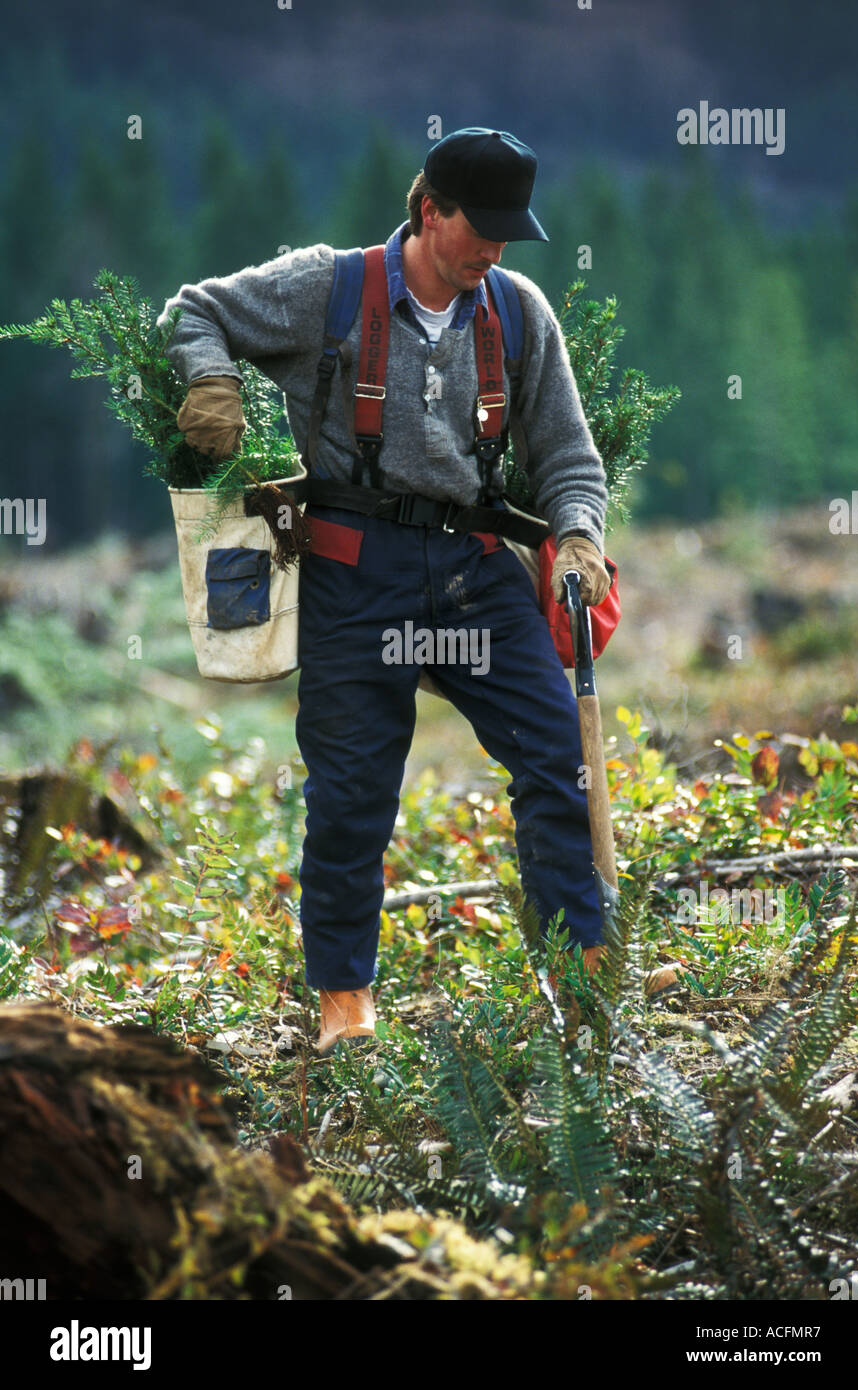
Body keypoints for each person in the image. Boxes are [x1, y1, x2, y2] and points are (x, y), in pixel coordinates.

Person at [158, 127, 612, 1055]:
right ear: (427, 211)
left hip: (475, 575)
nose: (492, 250)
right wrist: (209, 381)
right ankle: (344, 1005)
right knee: (353, 794)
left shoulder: (518, 313)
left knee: (559, 759)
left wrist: (575, 537)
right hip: (351, 577)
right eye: (478, 229)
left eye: (506, 233)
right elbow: (194, 309)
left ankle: (581, 975)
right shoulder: (323, 287)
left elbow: (568, 456)